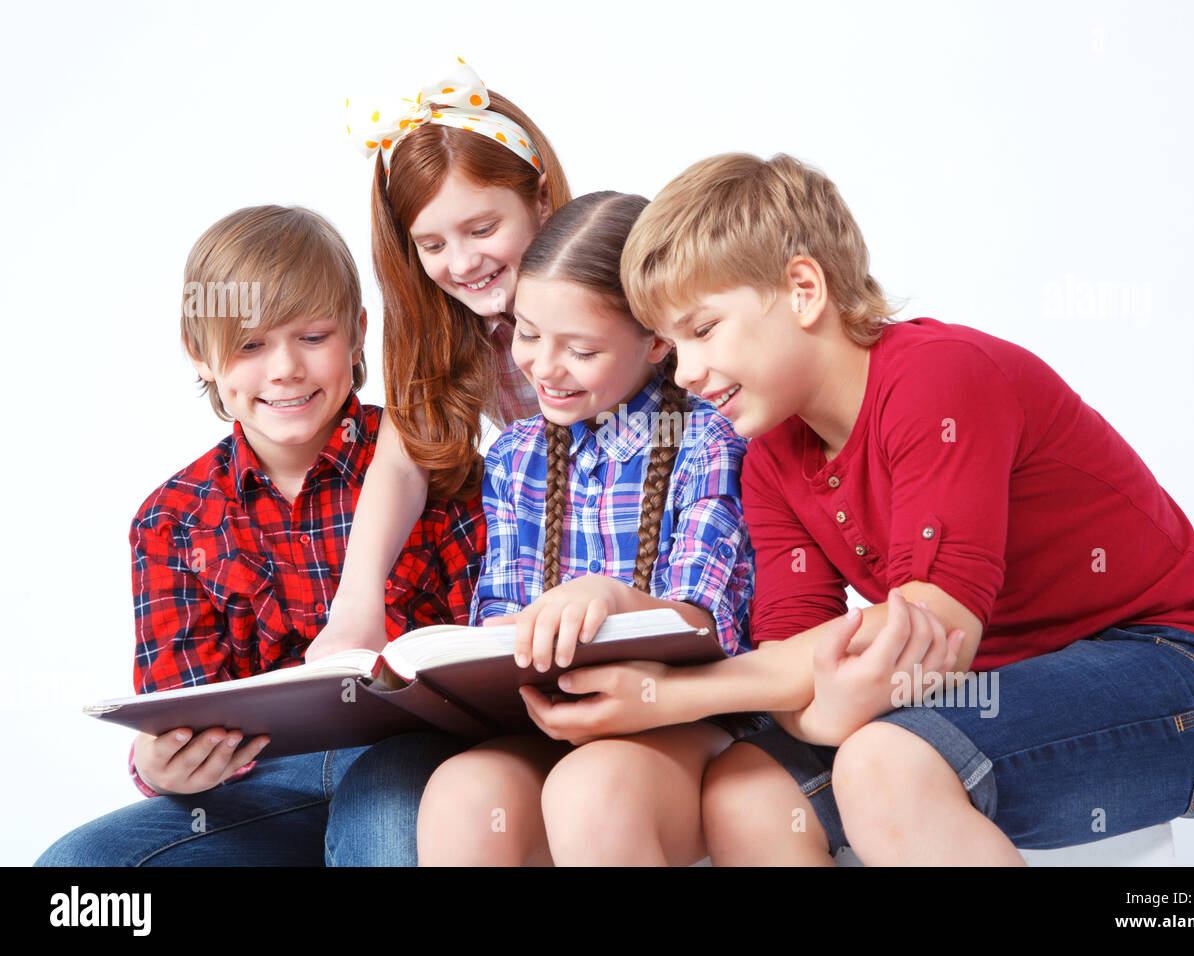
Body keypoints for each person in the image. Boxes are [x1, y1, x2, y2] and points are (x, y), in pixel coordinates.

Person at [520, 151, 1194, 865]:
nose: (688, 371)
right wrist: (824, 710)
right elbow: (797, 659)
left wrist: (667, 695)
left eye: (704, 329)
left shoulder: (938, 379)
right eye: (672, 345)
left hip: (1184, 674)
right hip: (983, 688)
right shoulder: (773, 452)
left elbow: (931, 627)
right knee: (746, 792)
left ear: (804, 291)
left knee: (885, 763)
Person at [35, 205, 482, 866]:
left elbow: (484, 647)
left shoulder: (431, 461)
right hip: (263, 787)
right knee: (79, 868)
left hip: (411, 763)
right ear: (201, 354)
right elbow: (177, 705)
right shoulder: (171, 518)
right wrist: (161, 767)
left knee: (385, 823)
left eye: (313, 336)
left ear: (358, 335)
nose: (285, 370)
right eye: (250, 345)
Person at [416, 192, 756, 866]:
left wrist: (614, 599)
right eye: (530, 334)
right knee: (460, 791)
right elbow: (501, 614)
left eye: (581, 349)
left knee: (591, 788)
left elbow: (710, 624)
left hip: (682, 721)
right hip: (552, 723)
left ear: (656, 340)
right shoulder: (514, 458)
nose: (542, 367)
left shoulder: (708, 440)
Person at [313, 61, 571, 662]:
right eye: (432, 245)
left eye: (482, 228)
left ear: (541, 198)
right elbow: (403, 464)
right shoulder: (461, 328)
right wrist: (356, 607)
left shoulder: (621, 285)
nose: (460, 264)